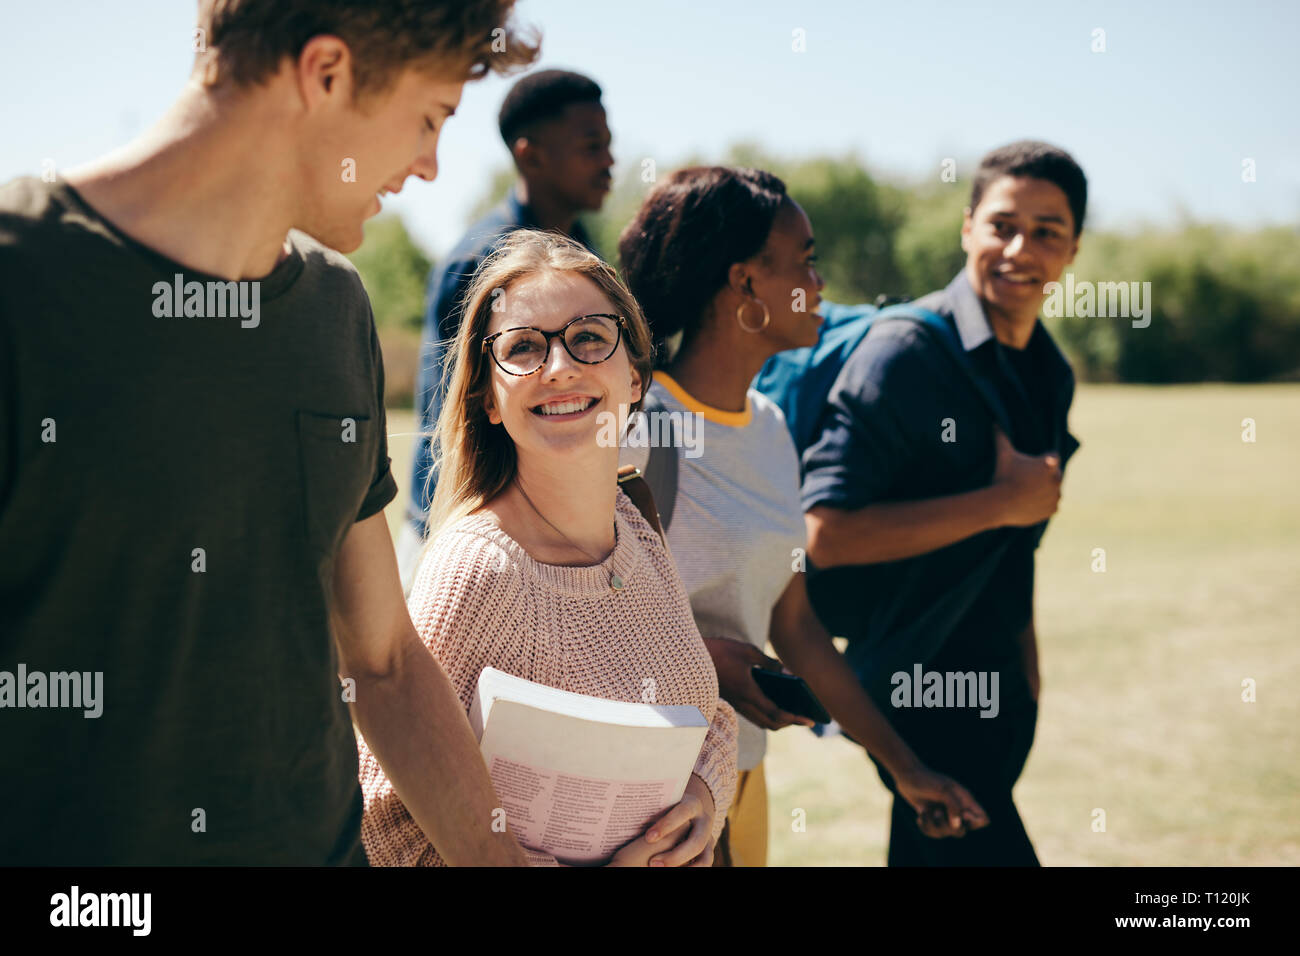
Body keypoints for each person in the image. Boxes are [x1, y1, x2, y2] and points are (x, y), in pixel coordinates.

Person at [0, 0, 540, 865]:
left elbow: (385, 659)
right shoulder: (20, 281)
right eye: (429, 119)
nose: (432, 167)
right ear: (325, 74)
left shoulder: (337, 310)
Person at [617, 166, 989, 866]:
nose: (821, 285)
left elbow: (795, 623)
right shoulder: (640, 427)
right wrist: (704, 663)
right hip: (647, 798)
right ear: (745, 283)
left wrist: (906, 769)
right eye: (806, 261)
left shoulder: (771, 426)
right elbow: (563, 616)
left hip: (738, 778)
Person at [358, 229, 738, 866]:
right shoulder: (476, 570)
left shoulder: (636, 527)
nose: (559, 366)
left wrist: (703, 796)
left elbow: (708, 715)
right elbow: (385, 830)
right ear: (490, 400)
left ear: (636, 377)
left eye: (589, 337)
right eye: (525, 348)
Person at [800, 141, 1086, 865]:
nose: (1020, 248)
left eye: (1047, 231)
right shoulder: (904, 355)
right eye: (1002, 225)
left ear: (1073, 250)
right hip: (918, 683)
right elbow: (824, 534)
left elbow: (1014, 549)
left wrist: (1027, 670)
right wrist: (999, 502)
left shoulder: (1049, 371)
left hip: (999, 689)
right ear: (967, 229)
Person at [400, 69, 614, 591]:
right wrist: (457, 543)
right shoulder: (480, 261)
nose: (610, 161)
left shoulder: (584, 254)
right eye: (591, 146)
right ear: (530, 155)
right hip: (463, 536)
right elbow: (450, 421)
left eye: (609, 145)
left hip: (548, 536)